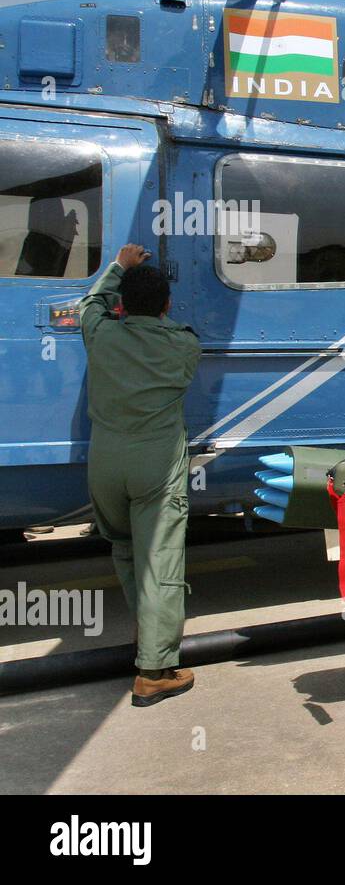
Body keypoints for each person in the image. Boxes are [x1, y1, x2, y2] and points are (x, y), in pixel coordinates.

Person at [81, 243, 201, 707]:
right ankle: (154, 672)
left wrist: (118, 268)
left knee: (128, 551)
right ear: (168, 306)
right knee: (161, 563)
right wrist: (150, 310)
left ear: (122, 305)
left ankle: (145, 633)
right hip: (155, 465)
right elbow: (161, 326)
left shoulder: (100, 332)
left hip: (105, 463)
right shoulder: (184, 344)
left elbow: (91, 304)